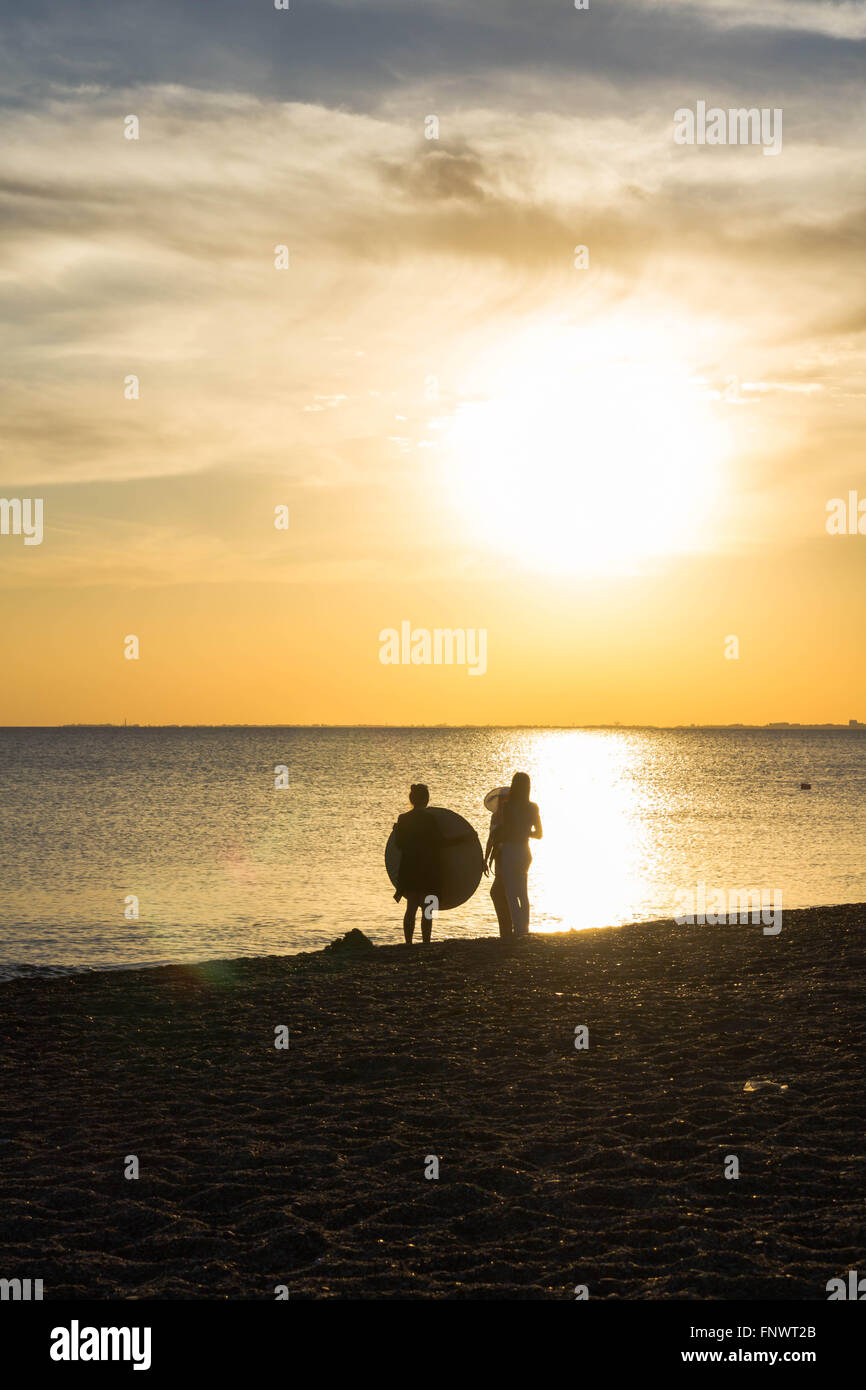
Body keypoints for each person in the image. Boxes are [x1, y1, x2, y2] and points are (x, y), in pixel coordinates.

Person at [392, 784, 444, 945]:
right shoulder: (430, 819)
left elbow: (399, 845)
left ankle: (408, 943)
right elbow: (439, 843)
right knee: (429, 908)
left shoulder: (403, 818)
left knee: (411, 907)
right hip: (429, 867)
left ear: (412, 799)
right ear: (426, 799)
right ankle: (426, 942)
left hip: (409, 867)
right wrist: (465, 839)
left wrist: (397, 831)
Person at [493, 771, 542, 938]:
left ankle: (517, 929)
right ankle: (524, 929)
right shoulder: (533, 807)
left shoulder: (507, 807)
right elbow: (539, 834)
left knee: (510, 892)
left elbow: (505, 831)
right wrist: (525, 832)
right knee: (523, 891)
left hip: (510, 850)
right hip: (525, 851)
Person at [483, 795, 513, 939]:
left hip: (506, 856)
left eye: (505, 800)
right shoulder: (494, 817)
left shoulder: (510, 817)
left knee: (497, 892)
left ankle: (507, 929)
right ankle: (506, 930)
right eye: (501, 800)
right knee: (500, 893)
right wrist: (486, 857)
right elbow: (491, 838)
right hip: (497, 856)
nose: (502, 802)